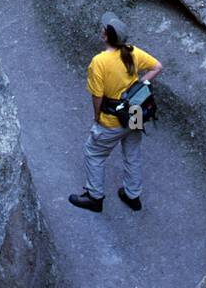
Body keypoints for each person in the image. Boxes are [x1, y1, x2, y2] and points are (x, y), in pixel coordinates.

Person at [68, 11, 162, 213]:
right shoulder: (133, 52)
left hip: (113, 117)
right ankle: (132, 195)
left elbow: (97, 97)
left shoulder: (99, 62)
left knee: (94, 153)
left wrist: (97, 118)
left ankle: (94, 197)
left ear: (105, 36)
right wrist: (137, 87)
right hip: (135, 113)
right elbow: (157, 66)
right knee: (132, 154)